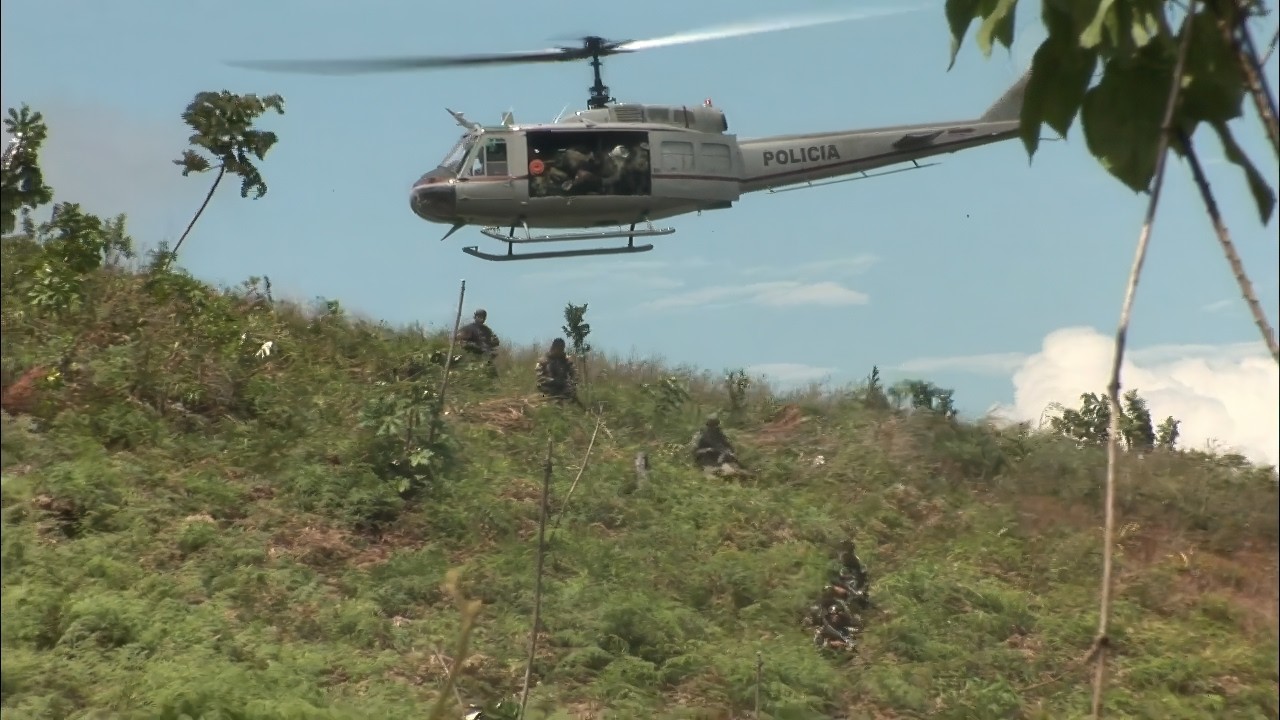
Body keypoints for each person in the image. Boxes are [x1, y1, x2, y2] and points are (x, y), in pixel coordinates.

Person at [534, 338, 578, 402]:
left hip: (563, 391)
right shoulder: (543, 361)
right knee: (543, 403)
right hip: (546, 392)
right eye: (558, 348)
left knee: (571, 404)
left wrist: (572, 385)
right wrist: (553, 381)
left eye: (561, 348)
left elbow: (575, 374)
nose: (559, 351)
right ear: (553, 347)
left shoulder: (566, 361)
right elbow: (539, 378)